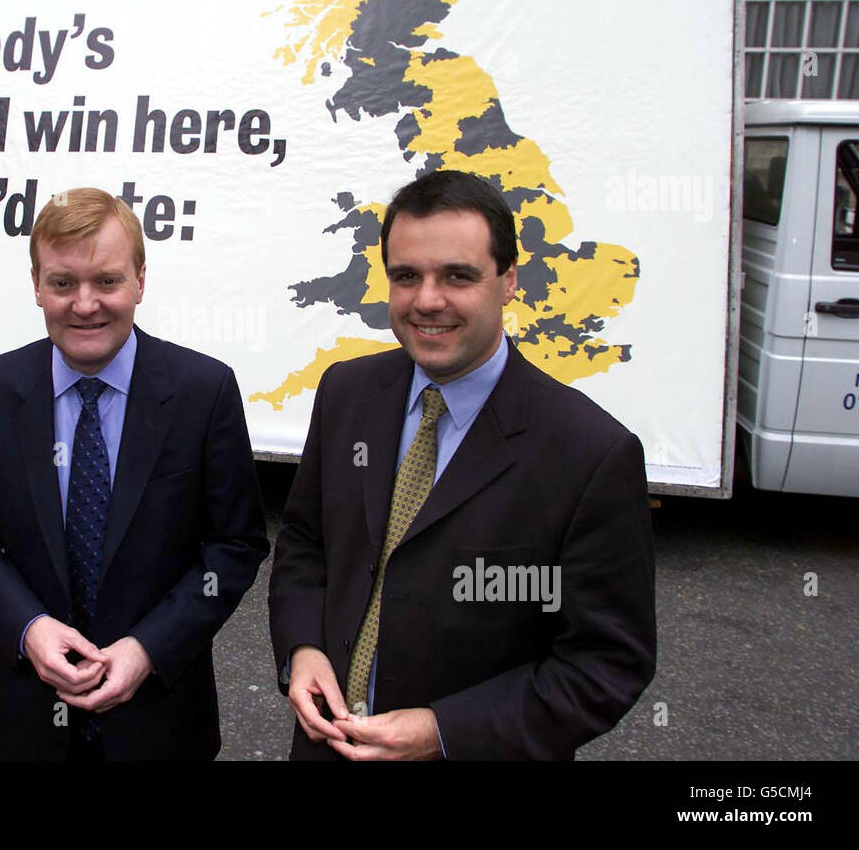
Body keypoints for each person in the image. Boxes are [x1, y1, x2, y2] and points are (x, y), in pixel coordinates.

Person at [269, 170, 656, 760]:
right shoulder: (346, 392)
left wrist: (443, 732)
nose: (428, 299)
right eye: (407, 276)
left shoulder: (591, 454)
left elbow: (604, 665)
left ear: (508, 282)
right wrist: (304, 648)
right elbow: (305, 541)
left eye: (457, 275)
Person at [0, 187, 269, 760]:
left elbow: (234, 545)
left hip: (162, 718)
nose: (85, 304)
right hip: (32, 721)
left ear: (141, 280)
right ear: (37, 286)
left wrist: (148, 648)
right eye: (63, 282)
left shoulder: (203, 391)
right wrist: (28, 628)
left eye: (107, 281)